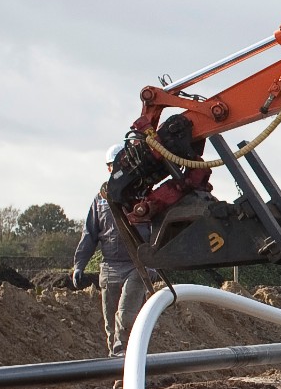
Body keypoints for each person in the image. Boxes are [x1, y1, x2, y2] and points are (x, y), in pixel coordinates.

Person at [76, 113, 210, 355]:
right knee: (110, 322)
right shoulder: (100, 201)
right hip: (109, 268)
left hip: (137, 265)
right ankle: (118, 367)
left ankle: (123, 362)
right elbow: (90, 234)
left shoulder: (145, 196)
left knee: (125, 317)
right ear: (109, 167)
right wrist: (79, 265)